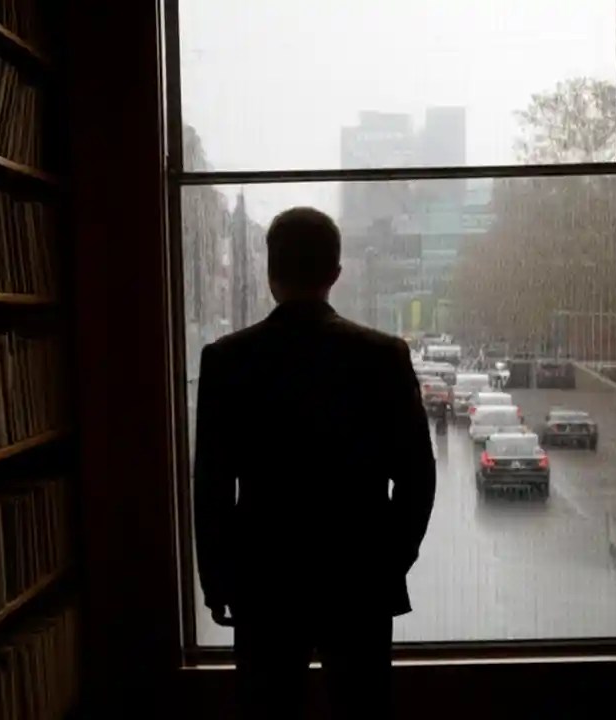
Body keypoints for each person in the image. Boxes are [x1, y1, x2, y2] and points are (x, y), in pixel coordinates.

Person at [193, 207, 437, 720]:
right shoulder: (384, 357)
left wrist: (218, 579)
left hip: (265, 582)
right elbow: (417, 477)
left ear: (270, 273)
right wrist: (392, 561)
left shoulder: (226, 360)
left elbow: (211, 486)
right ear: (336, 274)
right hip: (359, 580)